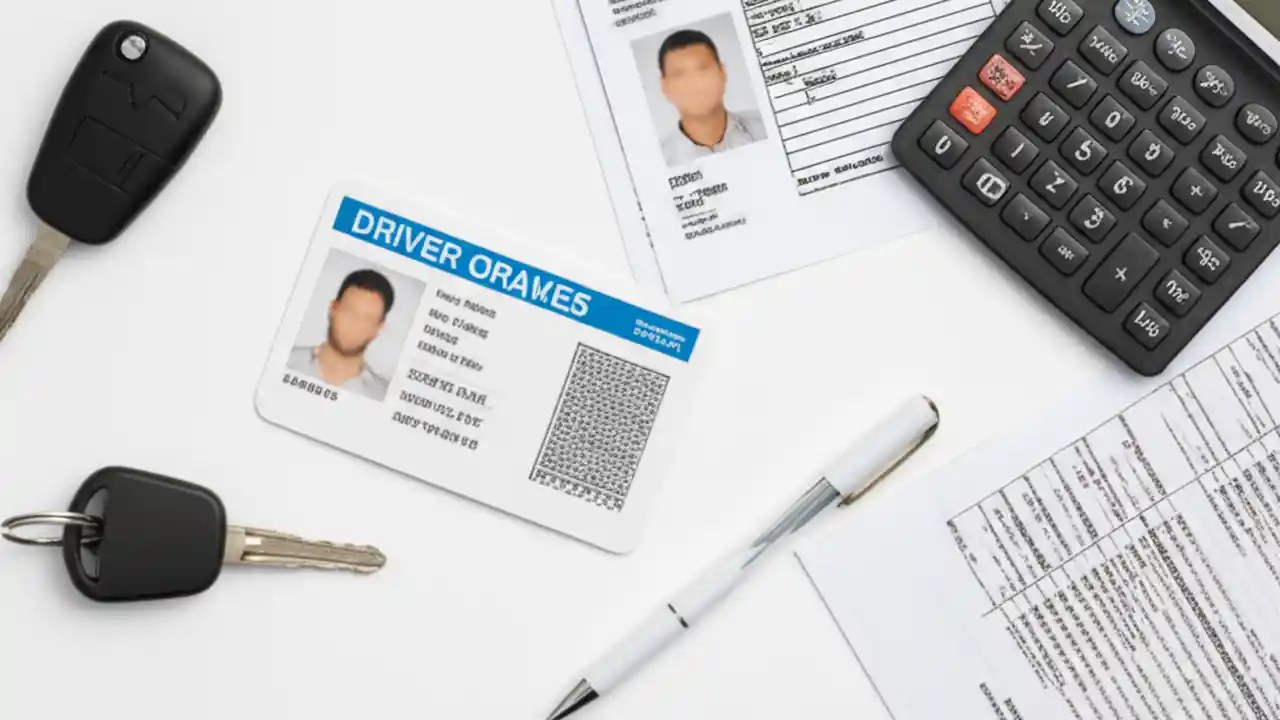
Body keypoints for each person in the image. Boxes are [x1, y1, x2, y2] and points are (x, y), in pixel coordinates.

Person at [657, 29, 766, 166]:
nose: (694, 84)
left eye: (702, 69)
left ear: (723, 73)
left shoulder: (766, 126)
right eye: (679, 75)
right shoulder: (658, 161)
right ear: (664, 86)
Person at [289, 268, 395, 400]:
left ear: (379, 327)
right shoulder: (283, 360)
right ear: (333, 308)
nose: (355, 325)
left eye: (367, 318)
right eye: (349, 311)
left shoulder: (385, 396)